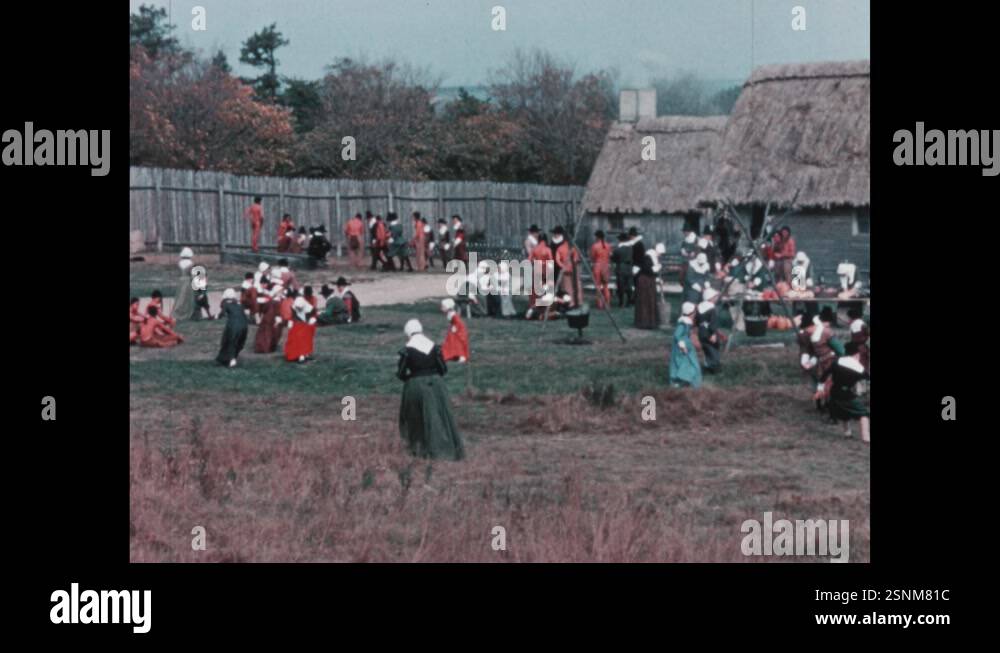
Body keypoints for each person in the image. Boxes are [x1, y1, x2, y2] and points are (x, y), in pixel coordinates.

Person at [396, 319, 465, 460]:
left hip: (415, 385)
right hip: (436, 385)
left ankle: (420, 449)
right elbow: (443, 369)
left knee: (416, 418)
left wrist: (411, 379)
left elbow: (401, 373)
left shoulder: (407, 350)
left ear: (408, 333)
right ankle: (446, 449)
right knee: (440, 416)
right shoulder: (434, 347)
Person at [821, 342, 870, 442]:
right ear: (856, 354)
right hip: (847, 394)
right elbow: (868, 379)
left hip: (834, 392)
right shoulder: (859, 368)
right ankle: (866, 438)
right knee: (864, 414)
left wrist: (820, 388)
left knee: (844, 413)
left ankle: (847, 433)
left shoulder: (837, 362)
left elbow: (824, 376)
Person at [669, 302, 702, 388]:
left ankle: (686, 380)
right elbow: (677, 335)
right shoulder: (683, 324)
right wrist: (683, 346)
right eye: (694, 312)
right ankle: (679, 381)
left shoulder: (687, 323)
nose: (695, 314)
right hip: (681, 349)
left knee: (689, 363)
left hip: (687, 348)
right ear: (691, 313)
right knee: (684, 363)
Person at [634, 242, 665, 329]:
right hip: (644, 281)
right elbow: (647, 270)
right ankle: (644, 323)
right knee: (645, 302)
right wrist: (657, 268)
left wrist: (658, 278)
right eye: (660, 253)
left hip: (649, 281)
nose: (660, 255)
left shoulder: (654, 257)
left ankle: (651, 322)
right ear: (657, 251)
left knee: (650, 301)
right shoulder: (648, 256)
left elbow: (652, 272)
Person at [215, 288, 249, 367]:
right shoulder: (239, 303)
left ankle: (231, 359)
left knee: (230, 341)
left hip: (233, 324)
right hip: (244, 324)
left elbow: (222, 313)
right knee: (239, 342)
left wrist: (217, 316)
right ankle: (232, 357)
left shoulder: (225, 303)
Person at [552, 226, 582, 307]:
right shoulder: (572, 247)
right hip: (573, 267)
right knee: (576, 285)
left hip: (565, 268)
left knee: (567, 286)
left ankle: (571, 302)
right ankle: (577, 301)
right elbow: (576, 258)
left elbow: (557, 259)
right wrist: (573, 264)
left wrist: (563, 266)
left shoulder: (561, 248)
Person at [526, 233, 554, 319]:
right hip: (546, 270)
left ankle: (533, 309)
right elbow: (550, 261)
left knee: (535, 292)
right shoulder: (548, 249)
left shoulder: (534, 249)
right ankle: (542, 311)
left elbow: (529, 260)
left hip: (536, 269)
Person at [697, 287, 723, 373]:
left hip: (701, 331)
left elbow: (697, 321)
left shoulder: (699, 307)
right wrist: (713, 334)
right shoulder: (712, 308)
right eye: (715, 297)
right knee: (713, 349)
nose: (716, 298)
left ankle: (707, 363)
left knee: (706, 348)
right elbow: (713, 322)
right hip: (709, 332)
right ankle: (714, 367)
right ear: (711, 298)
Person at [284, 295, 317, 363]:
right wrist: (291, 321)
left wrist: (312, 319)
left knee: (305, 341)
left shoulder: (310, 309)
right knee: (296, 341)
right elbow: (293, 316)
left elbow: (313, 316)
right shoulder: (294, 308)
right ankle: (299, 356)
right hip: (297, 326)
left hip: (306, 326)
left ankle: (305, 355)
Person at [254, 282, 284, 353]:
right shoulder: (276, 301)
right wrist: (277, 321)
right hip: (271, 318)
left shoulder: (271, 300)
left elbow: (264, 309)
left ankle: (263, 347)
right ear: (276, 292)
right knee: (270, 333)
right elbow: (277, 312)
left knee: (266, 333)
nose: (281, 293)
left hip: (267, 318)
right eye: (280, 292)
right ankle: (266, 348)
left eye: (281, 292)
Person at [440, 298, 469, 362]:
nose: (441, 308)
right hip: (455, 328)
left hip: (459, 330)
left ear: (448, 307)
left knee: (456, 341)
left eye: (443, 307)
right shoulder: (450, 313)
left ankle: (460, 355)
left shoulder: (453, 315)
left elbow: (458, 322)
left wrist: (455, 328)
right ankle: (454, 353)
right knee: (452, 341)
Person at [612, 232, 635, 307]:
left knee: (620, 286)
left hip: (621, 268)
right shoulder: (631, 249)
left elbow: (613, 259)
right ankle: (629, 301)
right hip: (629, 268)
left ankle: (621, 302)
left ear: (620, 240)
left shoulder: (618, 249)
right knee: (629, 286)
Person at [173, 247, 196, 321]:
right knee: (188, 298)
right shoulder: (191, 264)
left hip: (181, 281)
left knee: (180, 297)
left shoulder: (179, 263)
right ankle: (187, 313)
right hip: (188, 281)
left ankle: (177, 312)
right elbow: (192, 275)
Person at [847, 306, 870, 372]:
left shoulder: (853, 324)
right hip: (862, 346)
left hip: (854, 346)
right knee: (863, 364)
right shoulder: (862, 324)